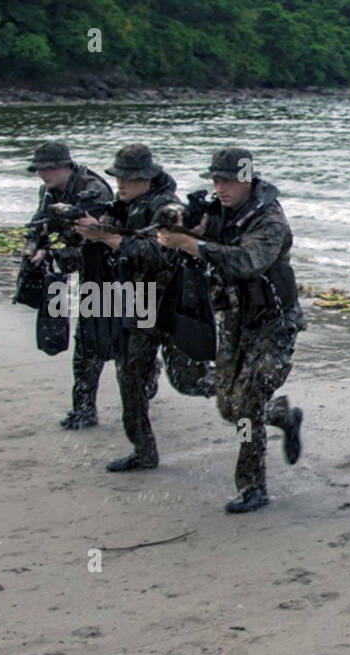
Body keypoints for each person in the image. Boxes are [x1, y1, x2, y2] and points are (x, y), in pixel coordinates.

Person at [157, 148, 305, 514]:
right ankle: (283, 416)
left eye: (227, 181)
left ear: (247, 181)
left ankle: (252, 485)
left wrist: (195, 245)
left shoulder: (270, 220)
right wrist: (179, 221)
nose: (219, 187)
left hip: (274, 323)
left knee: (248, 401)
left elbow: (247, 262)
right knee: (229, 407)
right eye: (216, 180)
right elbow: (184, 221)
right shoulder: (221, 212)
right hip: (235, 320)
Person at [75, 144, 214, 473]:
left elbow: (158, 254)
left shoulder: (166, 209)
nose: (120, 184)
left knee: (190, 381)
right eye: (118, 177)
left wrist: (107, 238)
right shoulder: (125, 205)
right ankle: (143, 451)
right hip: (139, 304)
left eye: (128, 178)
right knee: (130, 378)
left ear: (147, 180)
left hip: (171, 305)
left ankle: (253, 401)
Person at [24, 140, 114, 430]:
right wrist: (33, 248)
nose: (43, 175)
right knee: (86, 344)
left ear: (66, 166)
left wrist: (54, 251)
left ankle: (147, 376)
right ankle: (84, 409)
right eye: (39, 170)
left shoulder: (95, 191)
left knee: (116, 339)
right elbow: (40, 223)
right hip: (81, 266)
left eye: (48, 169)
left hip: (108, 271)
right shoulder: (48, 191)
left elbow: (98, 239)